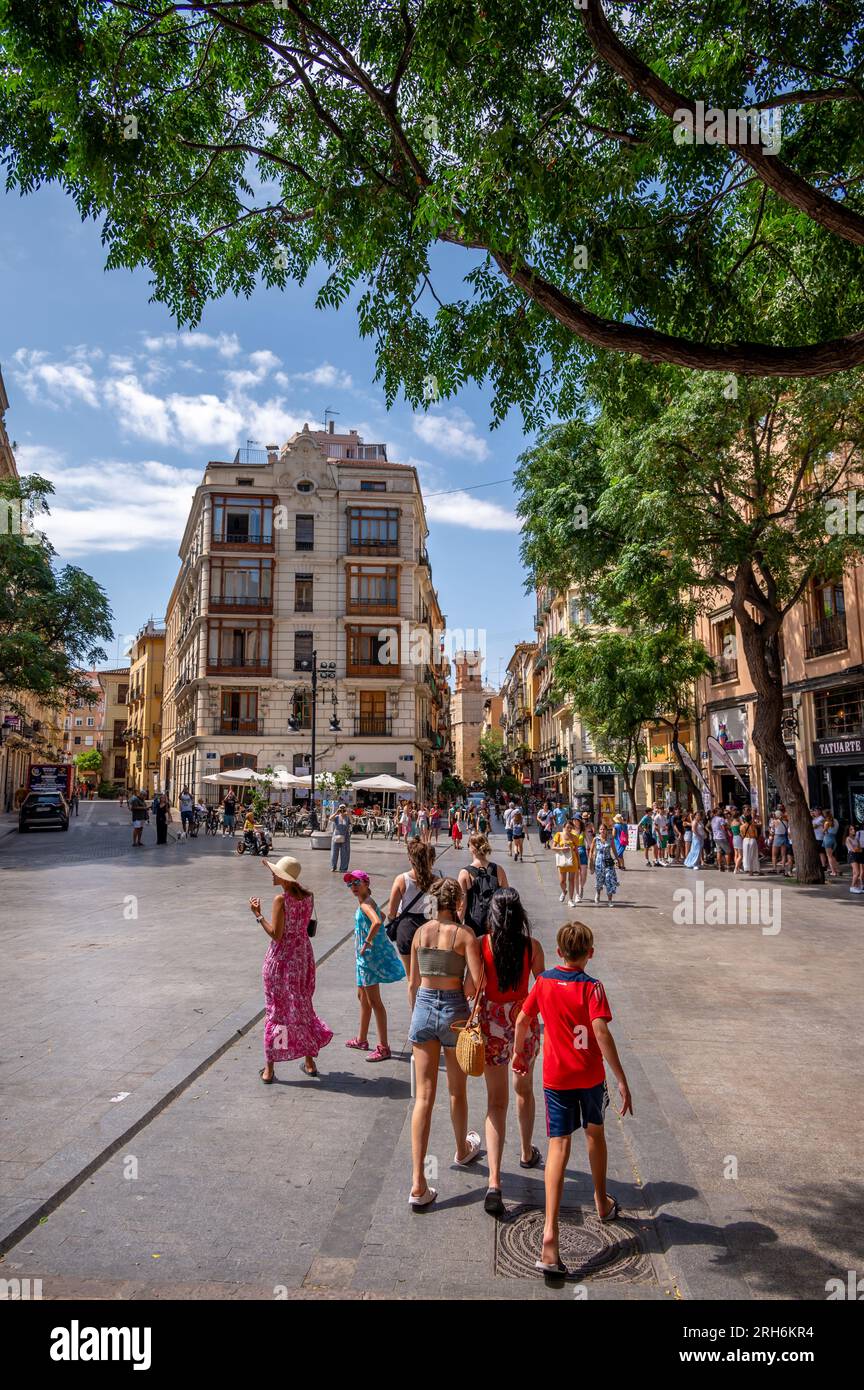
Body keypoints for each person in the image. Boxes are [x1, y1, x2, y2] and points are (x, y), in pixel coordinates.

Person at [513, 921, 632, 1275]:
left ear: (559, 951)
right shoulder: (593, 988)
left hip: (556, 1077)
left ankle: (549, 1236)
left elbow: (522, 1019)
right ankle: (600, 1200)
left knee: (557, 1147)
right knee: (595, 1132)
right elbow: (599, 1029)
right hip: (590, 1076)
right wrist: (621, 1078)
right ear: (590, 953)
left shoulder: (545, 982)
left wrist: (520, 1055)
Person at [407, 877, 484, 1208]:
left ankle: (418, 1184)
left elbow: (412, 983)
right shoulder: (465, 935)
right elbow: (477, 986)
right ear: (459, 904)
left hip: (423, 1009)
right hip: (454, 1010)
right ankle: (462, 1149)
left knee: (423, 1097)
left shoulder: (419, 933)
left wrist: (418, 1016)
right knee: (457, 1091)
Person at [479, 889, 545, 1216]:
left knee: (495, 1102)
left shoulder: (482, 945)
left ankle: (494, 1181)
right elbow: (542, 991)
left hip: (491, 1023)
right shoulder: (532, 948)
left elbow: (471, 986)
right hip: (524, 1022)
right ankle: (525, 1151)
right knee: (524, 1091)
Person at [249, 854, 333, 1080]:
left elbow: (276, 935)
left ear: (282, 877)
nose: (272, 874)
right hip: (303, 958)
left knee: (277, 1010)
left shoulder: (281, 900)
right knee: (301, 1006)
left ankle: (270, 1068)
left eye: (274, 872)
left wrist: (258, 916)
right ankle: (309, 1062)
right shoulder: (308, 897)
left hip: (282, 960)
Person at [343, 869, 405, 1061]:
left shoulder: (365, 906)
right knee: (362, 997)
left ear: (366, 884)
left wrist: (368, 941)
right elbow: (383, 916)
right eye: (350, 884)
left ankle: (383, 1047)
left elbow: (378, 921)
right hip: (363, 960)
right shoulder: (368, 902)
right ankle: (362, 1039)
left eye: (356, 883)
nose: (353, 887)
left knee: (375, 1002)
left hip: (367, 960)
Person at [387, 838, 437, 973]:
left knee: (411, 978)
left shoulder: (401, 880)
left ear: (410, 858)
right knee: (426, 976)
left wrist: (393, 919)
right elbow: (436, 910)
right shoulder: (436, 880)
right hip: (429, 928)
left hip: (406, 928)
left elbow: (391, 912)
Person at [458, 833, 508, 936]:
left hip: (473, 925)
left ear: (472, 848)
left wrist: (457, 927)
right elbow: (507, 899)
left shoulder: (465, 873)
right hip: (495, 924)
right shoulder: (498, 869)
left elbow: (462, 904)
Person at [551, 818, 578, 906]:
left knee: (571, 880)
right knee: (562, 881)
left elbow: (576, 850)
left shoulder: (574, 837)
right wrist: (561, 848)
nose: (569, 829)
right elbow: (553, 847)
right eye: (567, 827)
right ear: (564, 827)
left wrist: (579, 864)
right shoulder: (559, 835)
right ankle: (564, 891)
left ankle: (570, 900)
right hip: (562, 859)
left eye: (571, 828)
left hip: (572, 860)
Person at [327, 803, 352, 874]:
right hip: (336, 835)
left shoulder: (347, 817)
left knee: (345, 852)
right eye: (341, 808)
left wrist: (349, 814)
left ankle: (343, 868)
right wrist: (336, 812)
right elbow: (330, 819)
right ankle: (333, 866)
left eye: (344, 808)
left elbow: (353, 822)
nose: (342, 810)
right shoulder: (337, 817)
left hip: (345, 835)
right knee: (334, 852)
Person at [740, 809, 761, 874]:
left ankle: (747, 869)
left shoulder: (742, 826)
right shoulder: (753, 826)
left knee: (746, 855)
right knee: (753, 855)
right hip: (752, 840)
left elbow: (742, 835)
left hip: (745, 840)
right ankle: (754, 869)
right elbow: (756, 834)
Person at [847, 823, 864, 893]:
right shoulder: (848, 838)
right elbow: (853, 849)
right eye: (851, 829)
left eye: (853, 829)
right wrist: (857, 849)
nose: (853, 830)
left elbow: (860, 849)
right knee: (857, 872)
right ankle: (852, 886)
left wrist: (857, 849)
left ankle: (856, 886)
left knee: (855, 872)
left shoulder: (856, 838)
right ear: (848, 831)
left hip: (857, 855)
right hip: (852, 855)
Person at [822, 813, 840, 878]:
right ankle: (837, 869)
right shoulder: (835, 821)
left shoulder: (827, 822)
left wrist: (823, 830)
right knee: (831, 855)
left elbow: (823, 831)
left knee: (829, 856)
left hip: (828, 838)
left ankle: (833, 872)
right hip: (834, 838)